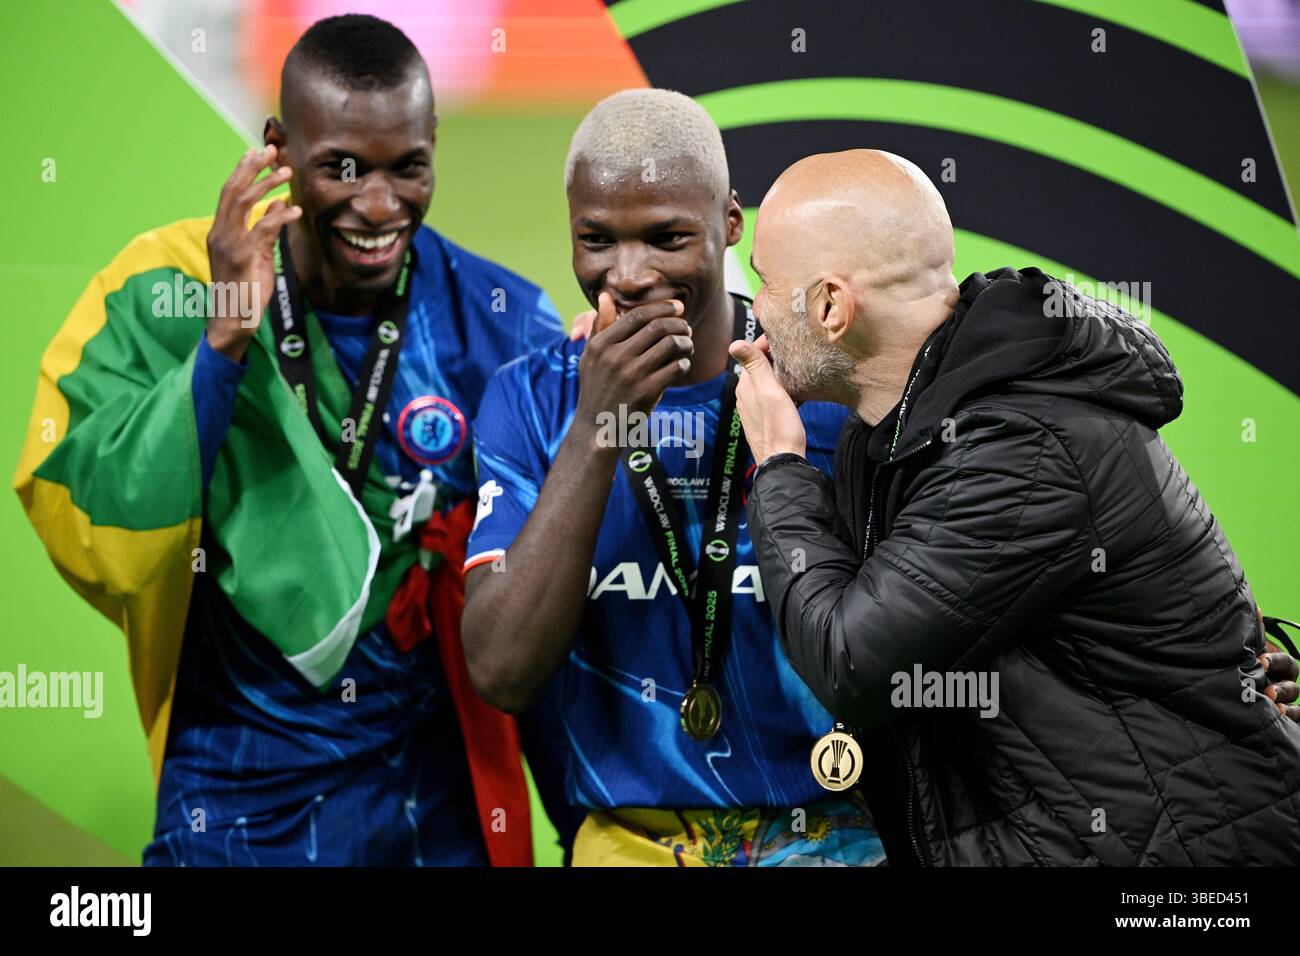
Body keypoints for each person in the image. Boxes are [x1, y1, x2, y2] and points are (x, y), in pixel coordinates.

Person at [14, 14, 576, 866]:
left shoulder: (501, 328)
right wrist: (223, 344)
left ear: (435, 148)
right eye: (342, 169)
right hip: (231, 806)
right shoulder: (158, 294)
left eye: (408, 167)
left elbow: (560, 597)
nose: (380, 205)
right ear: (277, 147)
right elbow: (96, 516)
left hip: (432, 816)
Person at [729, 147, 1300, 865]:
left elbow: (853, 663)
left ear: (831, 308)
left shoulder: (1018, 446)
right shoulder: (896, 428)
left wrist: (779, 465)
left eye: (763, 283)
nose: (753, 314)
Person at [460, 89, 886, 867]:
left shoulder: (833, 386)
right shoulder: (530, 396)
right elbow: (501, 669)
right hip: (631, 845)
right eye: (596, 239)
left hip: (842, 836)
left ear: (729, 221)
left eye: (666, 237)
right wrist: (597, 426)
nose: (627, 275)